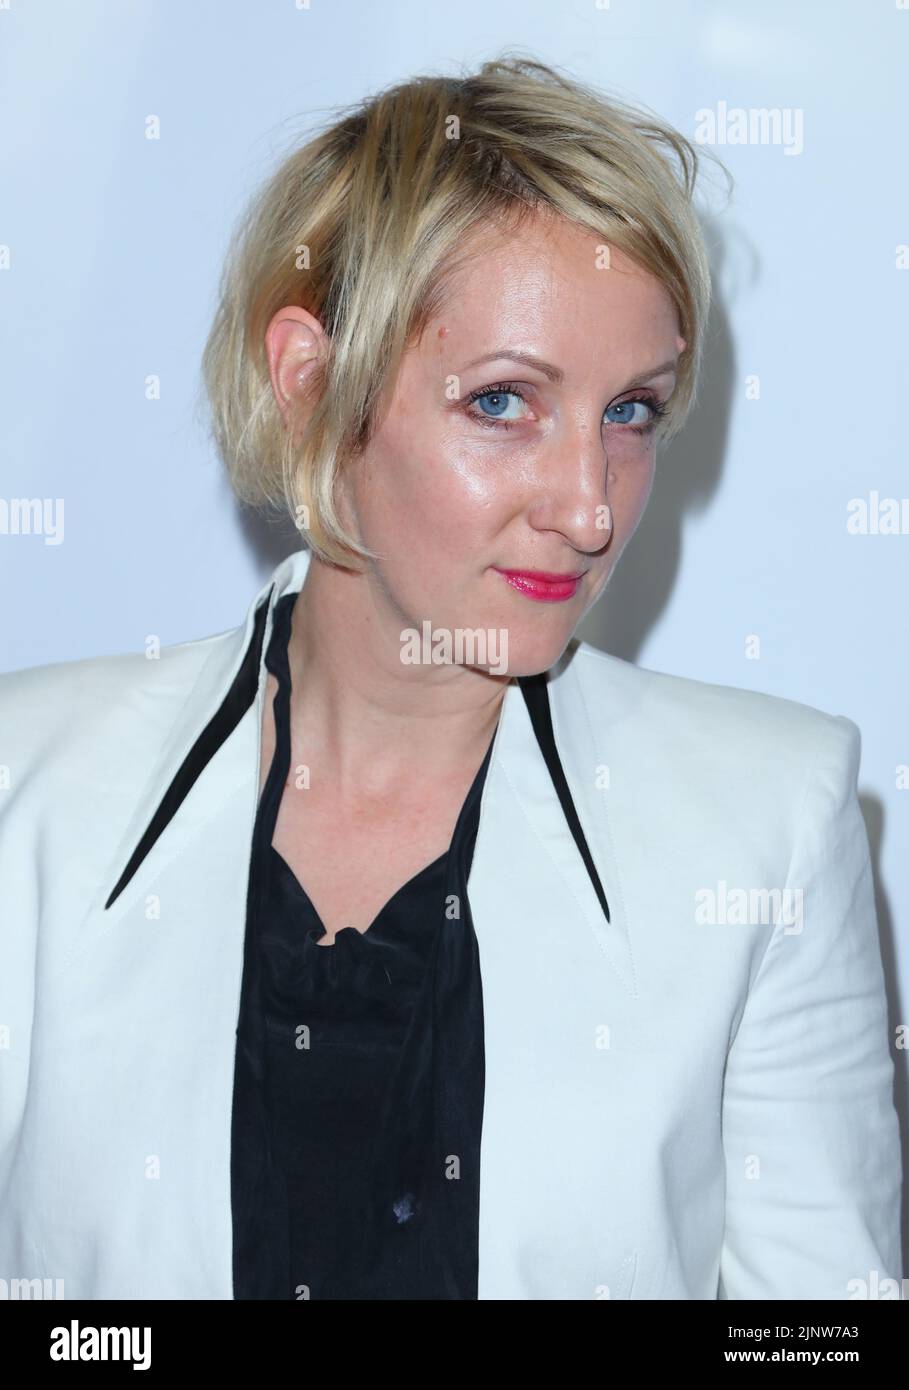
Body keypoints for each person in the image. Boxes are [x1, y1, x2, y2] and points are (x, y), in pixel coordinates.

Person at [0, 56, 901, 1301]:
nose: (589, 509)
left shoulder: (770, 823)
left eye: (631, 413)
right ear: (312, 385)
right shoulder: (28, 796)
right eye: (503, 402)